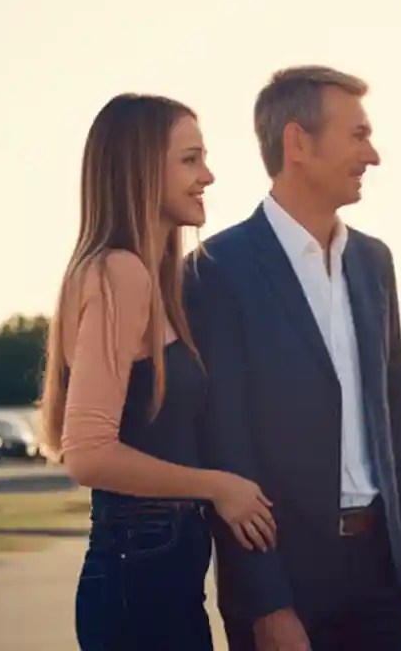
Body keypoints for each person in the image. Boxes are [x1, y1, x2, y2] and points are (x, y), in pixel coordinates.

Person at [184, 66, 401, 651]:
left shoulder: (374, 261)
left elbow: (395, 413)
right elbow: (228, 444)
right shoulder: (217, 270)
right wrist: (267, 602)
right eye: (357, 135)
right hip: (286, 577)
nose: (372, 155)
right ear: (298, 142)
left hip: (380, 571)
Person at [39, 93, 278, 650]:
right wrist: (217, 486)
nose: (208, 176)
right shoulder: (120, 273)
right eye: (190, 159)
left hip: (158, 570)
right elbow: (88, 452)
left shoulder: (152, 278)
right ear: (142, 168)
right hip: (138, 576)